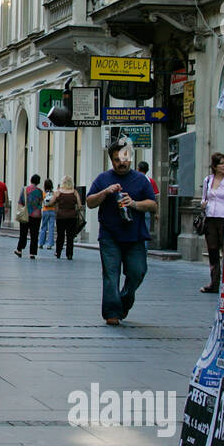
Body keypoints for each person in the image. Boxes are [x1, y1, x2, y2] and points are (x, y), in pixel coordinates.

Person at [88, 138, 157, 326]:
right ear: (112, 160)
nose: (121, 163)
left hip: (135, 236)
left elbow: (153, 204)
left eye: (124, 158)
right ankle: (112, 312)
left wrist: (134, 203)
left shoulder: (141, 180)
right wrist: (105, 192)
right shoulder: (103, 179)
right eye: (117, 159)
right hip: (110, 235)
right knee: (111, 274)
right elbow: (90, 202)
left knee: (138, 271)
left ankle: (125, 299)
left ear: (130, 158)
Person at [201, 152, 224, 294]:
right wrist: (203, 204)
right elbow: (203, 197)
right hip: (210, 218)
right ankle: (214, 282)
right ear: (215, 166)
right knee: (212, 251)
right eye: (221, 163)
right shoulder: (208, 180)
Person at [14, 174, 44, 259]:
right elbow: (40, 203)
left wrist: (19, 211)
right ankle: (32, 253)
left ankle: (19, 250)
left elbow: (20, 202)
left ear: (31, 180)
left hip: (26, 214)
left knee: (23, 233)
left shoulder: (25, 189)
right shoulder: (40, 191)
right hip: (36, 215)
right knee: (34, 234)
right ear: (38, 182)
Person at [52, 176, 80, 260]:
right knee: (70, 236)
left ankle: (58, 252)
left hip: (60, 217)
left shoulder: (58, 192)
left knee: (60, 235)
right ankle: (69, 254)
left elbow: (51, 202)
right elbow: (79, 205)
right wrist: (75, 211)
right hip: (72, 217)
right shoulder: (75, 192)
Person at [138, 160, 159, 239]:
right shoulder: (151, 181)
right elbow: (156, 198)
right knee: (145, 232)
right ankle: (144, 250)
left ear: (138, 169)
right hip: (146, 208)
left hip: (135, 208)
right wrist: (156, 212)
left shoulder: (134, 180)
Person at [39, 177, 57, 250]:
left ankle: (41, 243)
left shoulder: (43, 193)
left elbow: (41, 202)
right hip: (52, 211)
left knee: (43, 227)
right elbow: (55, 202)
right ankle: (50, 244)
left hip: (45, 210)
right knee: (51, 228)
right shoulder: (54, 193)